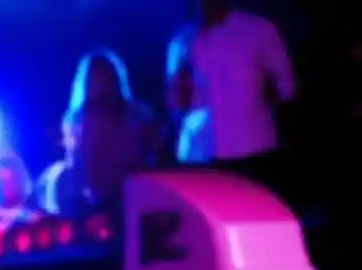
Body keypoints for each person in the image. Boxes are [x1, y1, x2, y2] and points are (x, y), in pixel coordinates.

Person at [167, 0, 296, 191]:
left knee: (254, 216)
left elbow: (286, 86)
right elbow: (174, 102)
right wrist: (181, 92)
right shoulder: (182, 40)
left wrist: (263, 95)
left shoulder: (258, 30)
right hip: (200, 153)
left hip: (253, 150)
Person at [61, 50, 157, 213]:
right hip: (95, 203)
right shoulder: (77, 119)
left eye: (107, 79)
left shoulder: (139, 115)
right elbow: (76, 164)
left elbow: (150, 157)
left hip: (135, 197)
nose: (103, 86)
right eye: (97, 79)